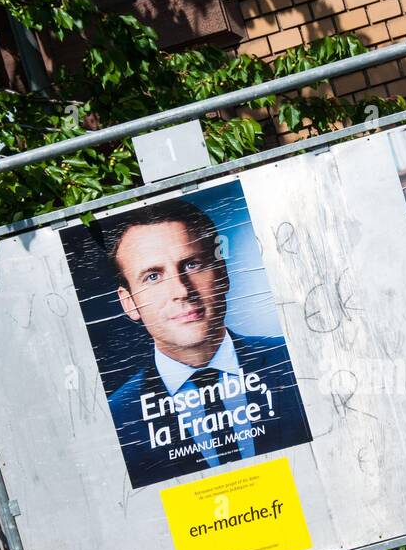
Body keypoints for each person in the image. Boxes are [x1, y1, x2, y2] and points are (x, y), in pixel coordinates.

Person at [101, 199, 310, 487]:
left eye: (192, 264)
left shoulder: (296, 361)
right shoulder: (115, 418)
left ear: (222, 274)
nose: (181, 290)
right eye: (153, 276)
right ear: (129, 303)